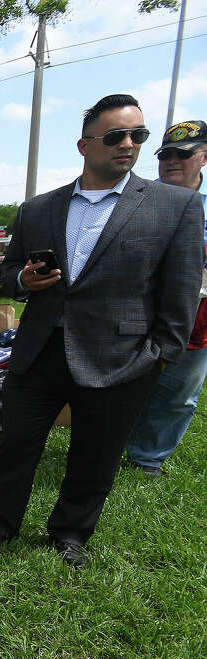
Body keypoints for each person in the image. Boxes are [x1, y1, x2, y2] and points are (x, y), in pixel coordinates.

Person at [0, 95, 205, 568]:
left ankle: (70, 533)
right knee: (17, 447)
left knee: (96, 454)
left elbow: (180, 290)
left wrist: (161, 355)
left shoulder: (174, 207)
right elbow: (12, 270)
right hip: (39, 350)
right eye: (115, 135)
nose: (128, 144)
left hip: (123, 356)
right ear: (84, 145)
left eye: (138, 135)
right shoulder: (39, 209)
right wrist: (22, 281)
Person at [125, 120, 207, 476]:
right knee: (123, 386)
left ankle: (147, 458)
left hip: (196, 318)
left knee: (179, 394)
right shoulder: (136, 197)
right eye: (166, 155)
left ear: (204, 157)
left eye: (183, 155)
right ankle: (108, 447)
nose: (173, 161)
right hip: (136, 312)